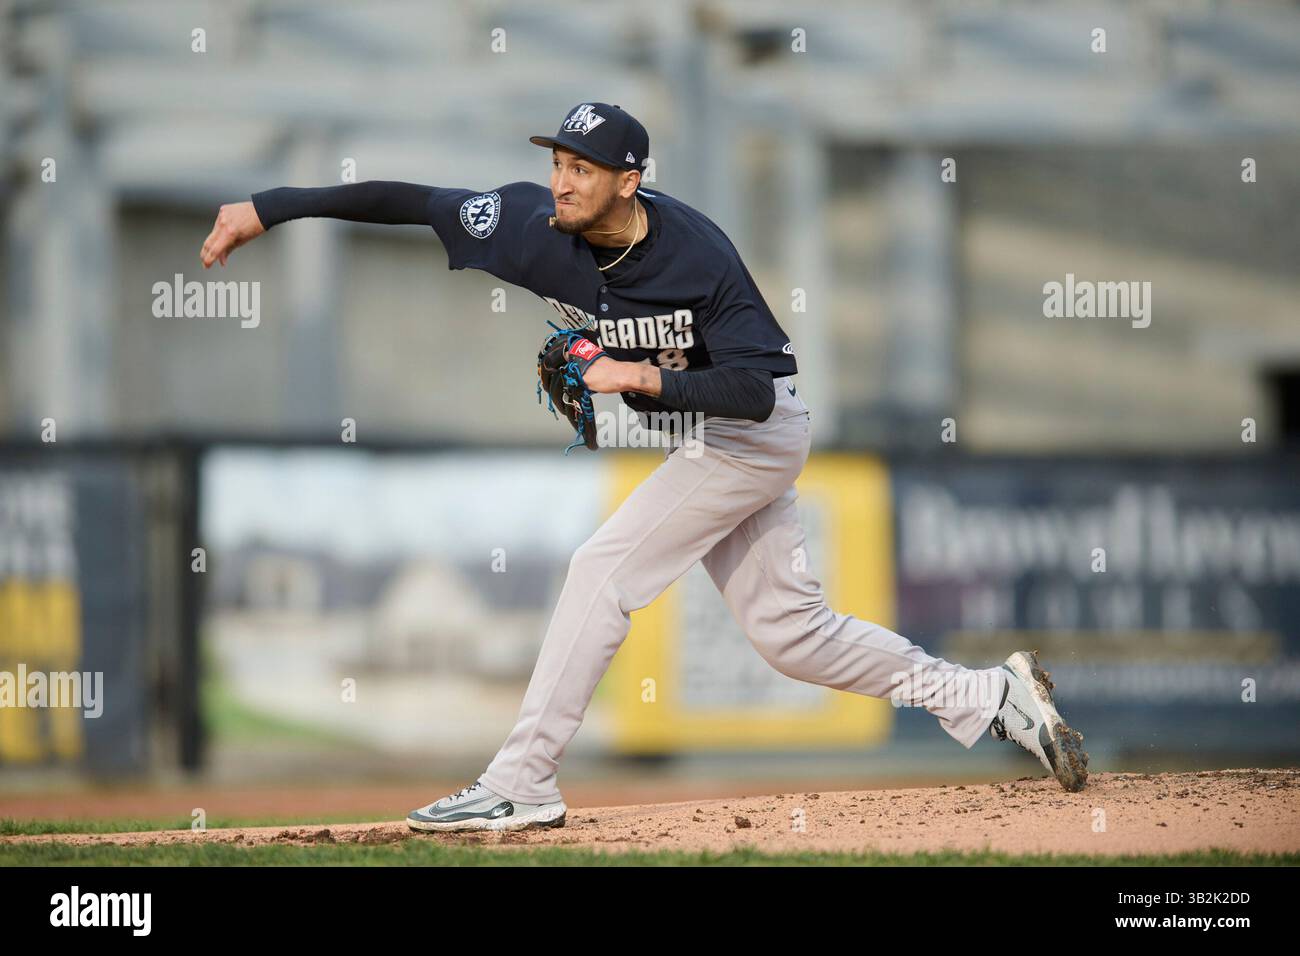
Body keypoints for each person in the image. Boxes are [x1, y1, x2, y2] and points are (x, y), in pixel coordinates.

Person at [199, 102, 1088, 833]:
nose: (562, 179)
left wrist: (641, 376)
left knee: (601, 569)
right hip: (707, 438)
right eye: (557, 160)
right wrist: (269, 207)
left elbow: (756, 390)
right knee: (792, 636)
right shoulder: (528, 224)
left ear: (630, 180)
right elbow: (411, 198)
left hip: (749, 434)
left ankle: (523, 781)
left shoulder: (696, 259)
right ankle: (991, 697)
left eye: (582, 166)